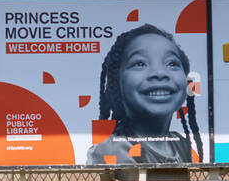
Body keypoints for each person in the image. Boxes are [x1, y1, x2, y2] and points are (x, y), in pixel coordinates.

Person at [85, 24, 203, 166]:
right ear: (117, 82)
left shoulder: (180, 143)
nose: (159, 73)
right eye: (140, 63)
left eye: (172, 63)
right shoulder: (112, 150)